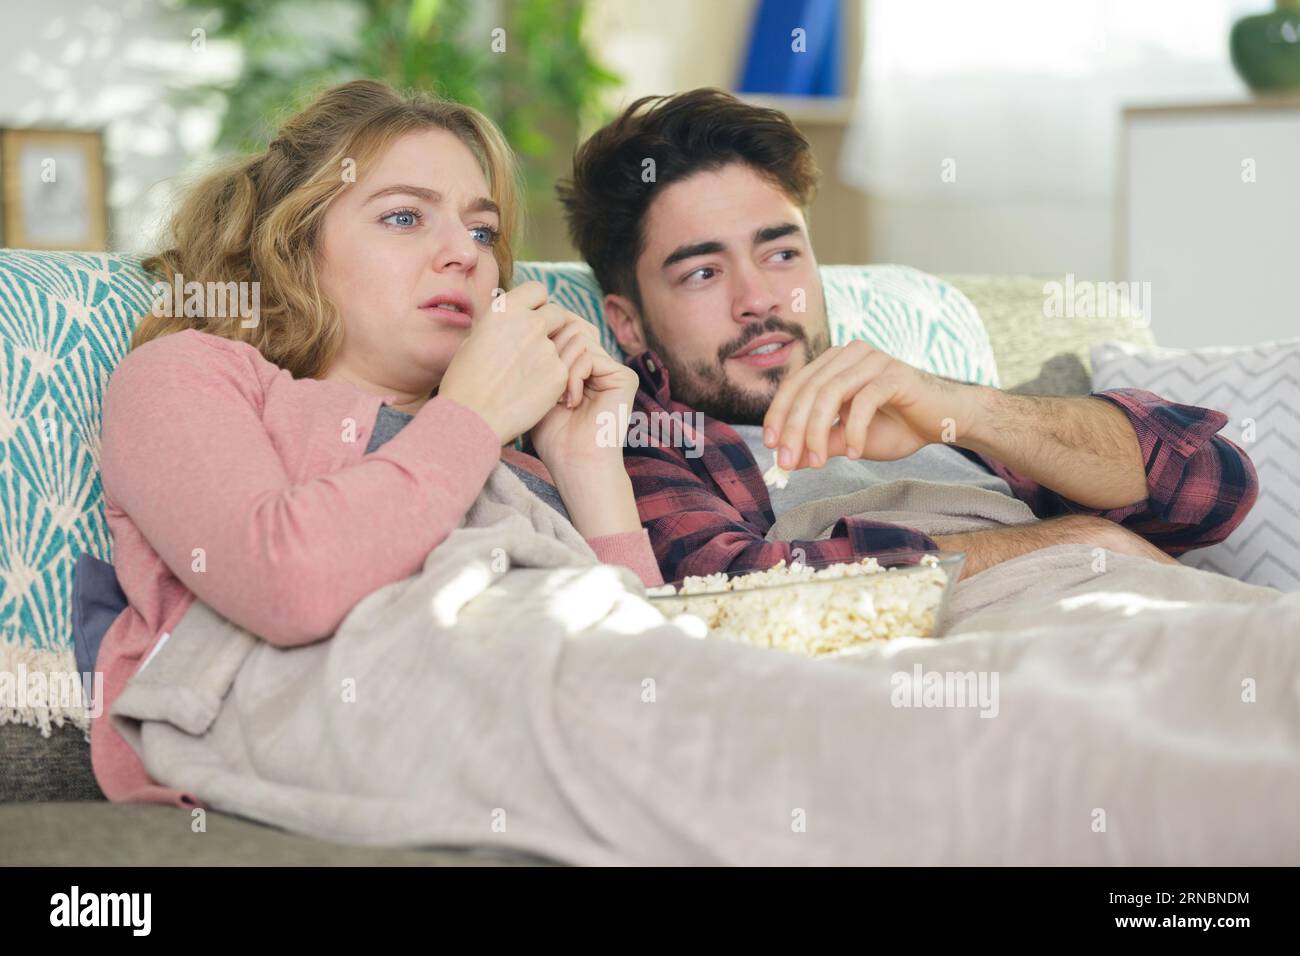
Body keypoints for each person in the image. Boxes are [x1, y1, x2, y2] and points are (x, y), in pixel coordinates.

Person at [93, 79, 659, 808]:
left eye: (483, 232)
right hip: (354, 751)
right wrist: (472, 418)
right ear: (293, 248)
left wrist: (589, 465)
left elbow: (643, 663)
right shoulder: (193, 377)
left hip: (568, 743)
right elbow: (285, 582)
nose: (463, 253)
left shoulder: (515, 459)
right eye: (403, 217)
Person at [555, 88, 1258, 584]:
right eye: (704, 272)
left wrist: (969, 412)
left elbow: (1213, 487)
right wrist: (1076, 542)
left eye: (780, 253)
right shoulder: (644, 448)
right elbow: (732, 586)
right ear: (628, 323)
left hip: (1194, 627)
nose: (759, 299)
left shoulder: (920, 397)